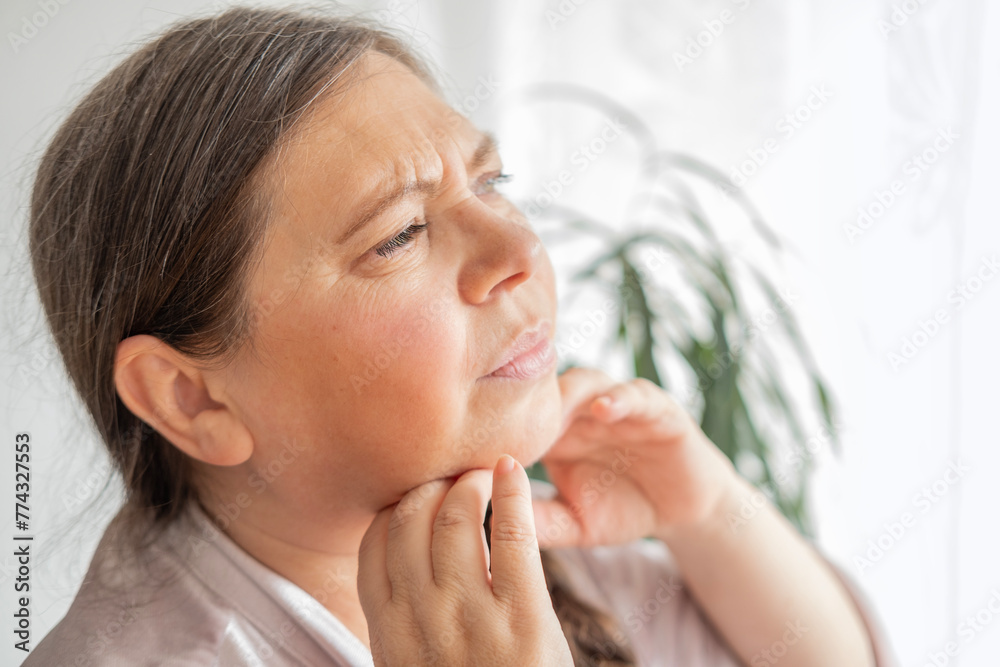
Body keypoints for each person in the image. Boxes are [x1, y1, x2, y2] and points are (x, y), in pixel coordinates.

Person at [23, 6, 895, 666]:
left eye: (492, 181)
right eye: (399, 234)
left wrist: (706, 511)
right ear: (195, 395)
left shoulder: (504, 546)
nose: (520, 250)